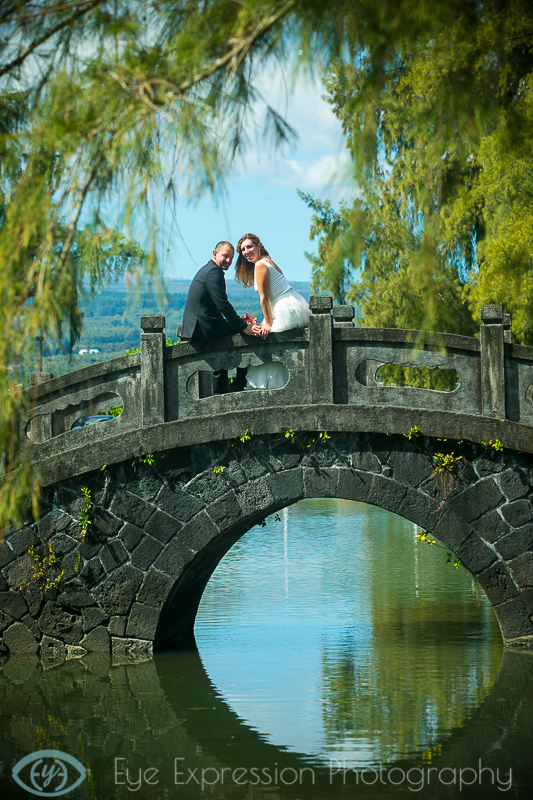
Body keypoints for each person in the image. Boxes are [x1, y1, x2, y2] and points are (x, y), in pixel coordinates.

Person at [235, 233, 310, 389]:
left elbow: (264, 298)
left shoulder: (260, 265)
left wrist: (268, 324)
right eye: (243, 249)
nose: (246, 252)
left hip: (283, 307)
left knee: (268, 345)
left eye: (249, 247)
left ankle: (271, 386)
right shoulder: (267, 260)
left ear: (259, 246)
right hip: (289, 303)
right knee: (277, 349)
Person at [181, 241, 258, 393]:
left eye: (231, 258)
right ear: (215, 254)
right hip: (204, 326)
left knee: (226, 341)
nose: (228, 261)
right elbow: (223, 305)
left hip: (201, 324)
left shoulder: (209, 269)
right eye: (225, 256)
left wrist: (239, 323)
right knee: (244, 334)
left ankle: (220, 389)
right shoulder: (213, 272)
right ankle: (238, 384)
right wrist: (244, 327)